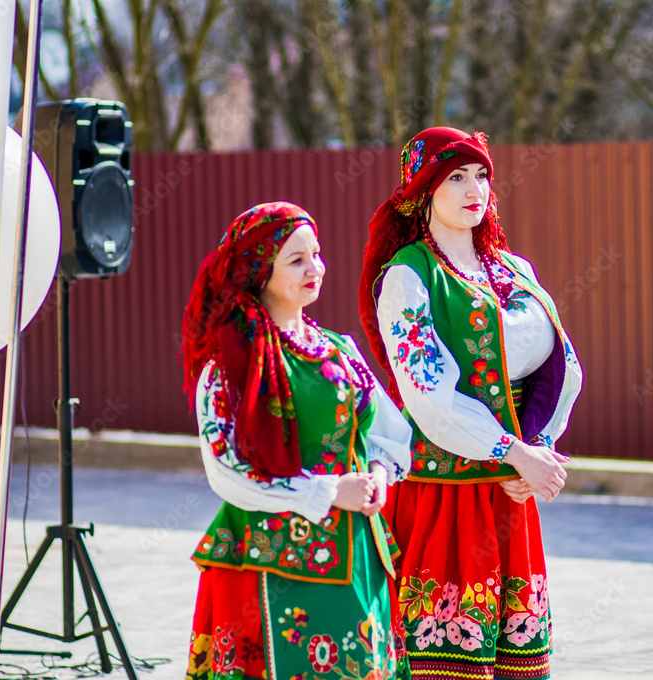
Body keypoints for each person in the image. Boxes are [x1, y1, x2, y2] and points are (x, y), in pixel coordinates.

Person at [359, 127, 583, 679]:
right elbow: (429, 393)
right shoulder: (409, 275)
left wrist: (538, 449)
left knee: (515, 661)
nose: (474, 188)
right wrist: (516, 453)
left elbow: (561, 365)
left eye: (481, 175)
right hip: (445, 493)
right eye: (456, 177)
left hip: (510, 487)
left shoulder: (514, 269)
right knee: (446, 662)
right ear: (423, 191)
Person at [180, 202, 412, 680]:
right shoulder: (230, 367)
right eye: (297, 260)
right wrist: (329, 492)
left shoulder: (340, 350)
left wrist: (377, 475)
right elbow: (227, 472)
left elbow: (387, 431)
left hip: (358, 555)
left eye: (317, 255)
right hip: (271, 564)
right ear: (259, 270)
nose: (315, 268)